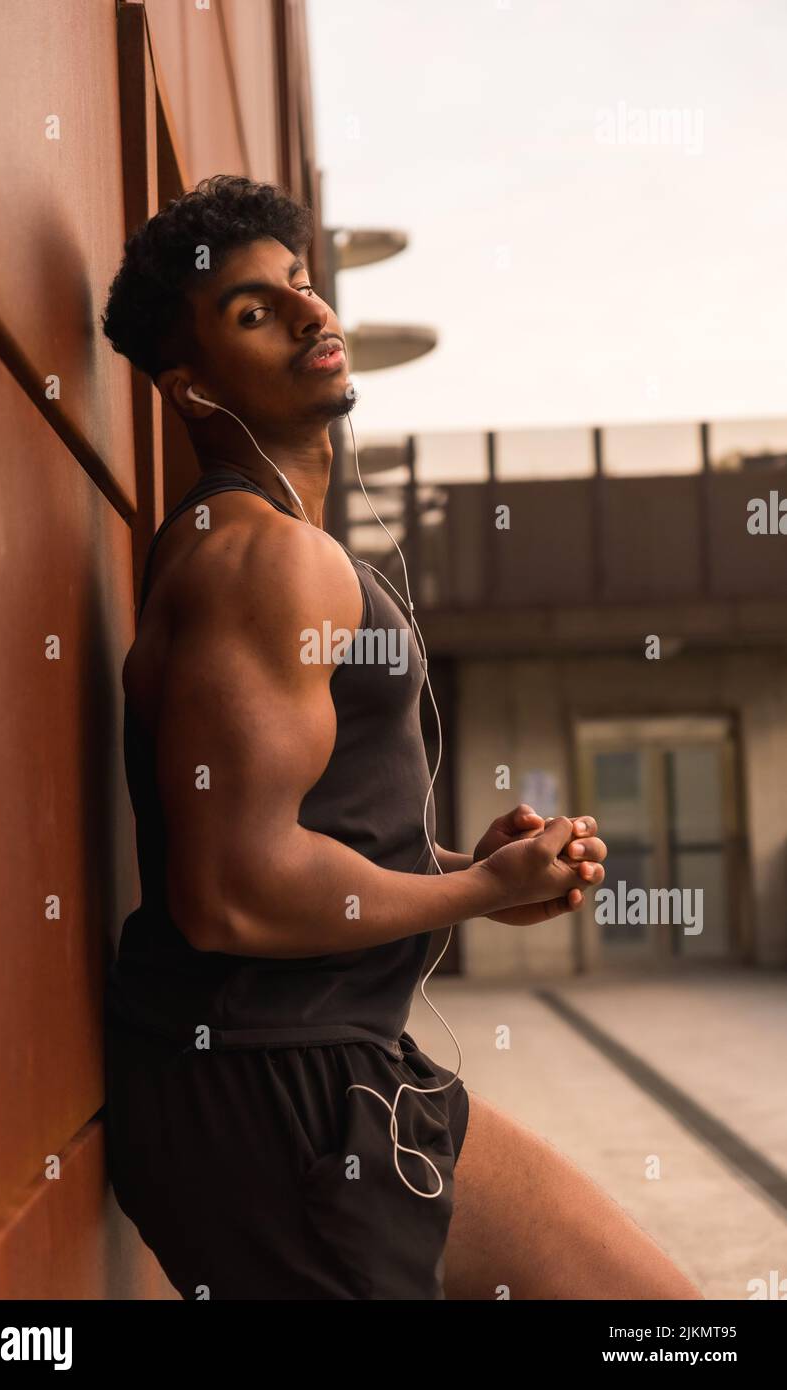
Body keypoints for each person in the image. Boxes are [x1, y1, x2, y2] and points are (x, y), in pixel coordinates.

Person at [100, 175, 702, 1301]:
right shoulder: (264, 559)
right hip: (271, 1090)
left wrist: (465, 870)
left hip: (331, 1064)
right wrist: (473, 897)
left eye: (298, 284)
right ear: (188, 387)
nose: (305, 312)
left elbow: (293, 842)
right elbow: (232, 891)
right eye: (250, 311)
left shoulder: (277, 546)